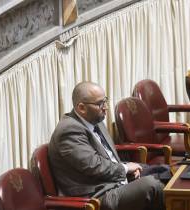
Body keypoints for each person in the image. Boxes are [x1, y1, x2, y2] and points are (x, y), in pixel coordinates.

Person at [48, 81, 168, 210]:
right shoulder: (68, 131)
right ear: (81, 108)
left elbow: (108, 157)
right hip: (98, 195)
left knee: (165, 171)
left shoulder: (95, 119)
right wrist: (125, 169)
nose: (105, 107)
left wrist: (129, 168)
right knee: (153, 185)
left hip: (113, 179)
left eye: (105, 101)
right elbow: (94, 166)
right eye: (100, 104)